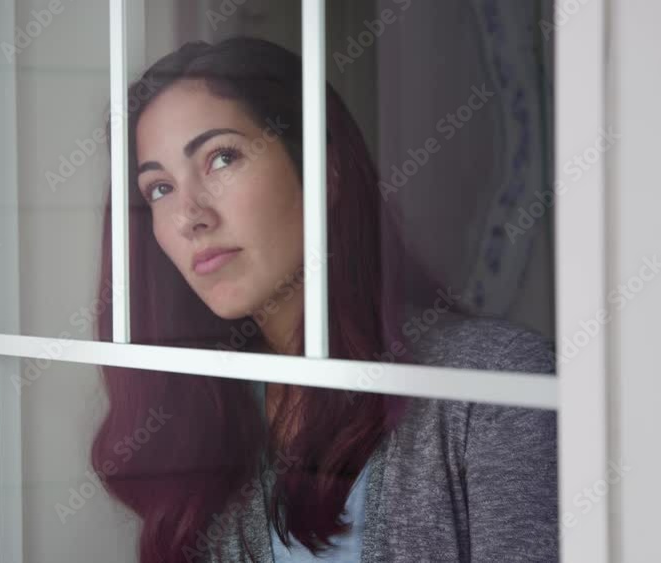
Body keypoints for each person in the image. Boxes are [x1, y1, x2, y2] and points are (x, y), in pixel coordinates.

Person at [91, 37, 557, 563]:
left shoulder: (496, 388)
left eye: (221, 158)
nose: (188, 216)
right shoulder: (203, 408)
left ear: (324, 171)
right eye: (158, 188)